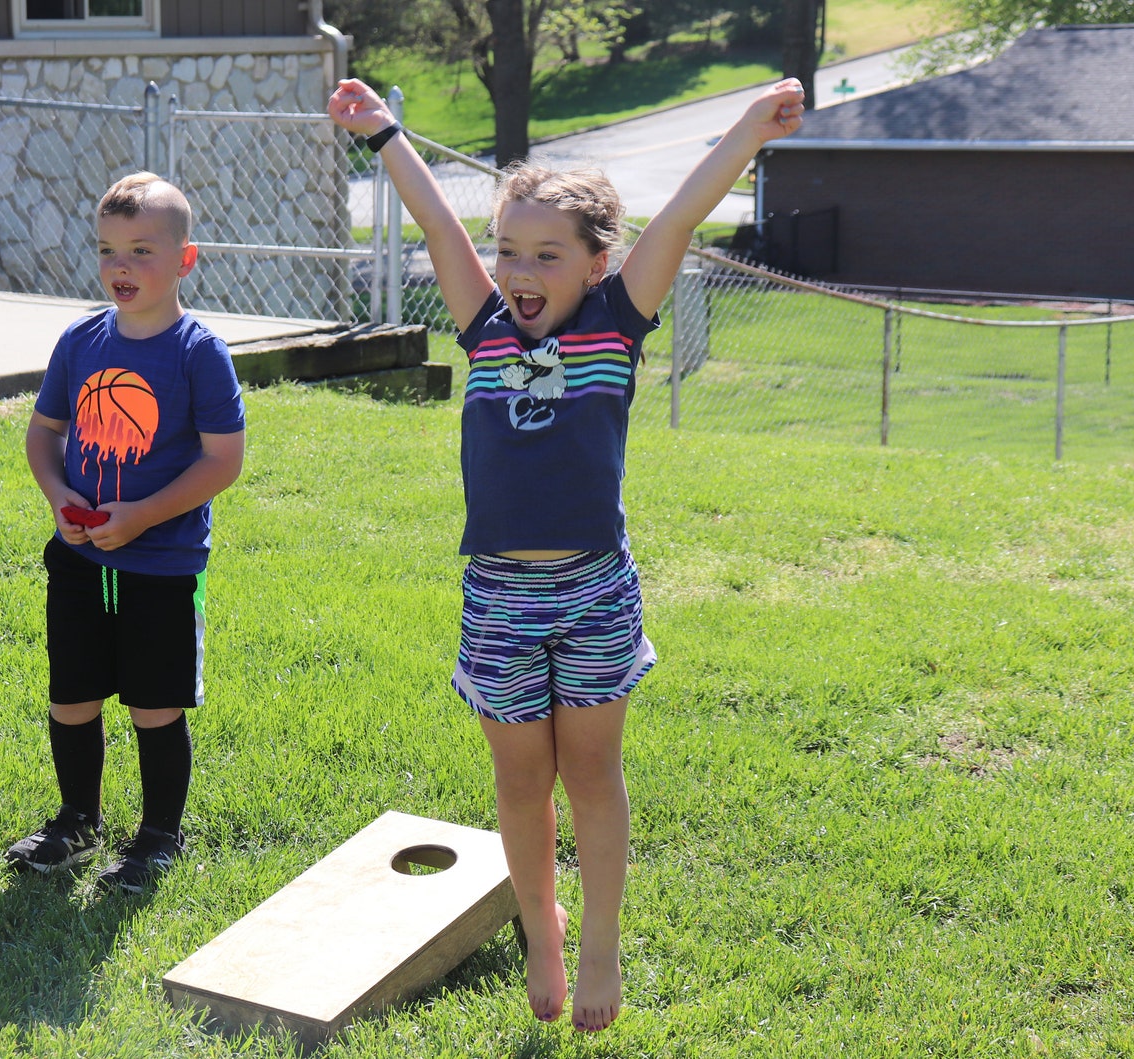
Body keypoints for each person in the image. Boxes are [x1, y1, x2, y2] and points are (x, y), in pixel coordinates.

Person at [328, 78, 804, 1031]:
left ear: (596, 264)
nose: (520, 268)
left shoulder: (614, 325)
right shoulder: (485, 328)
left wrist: (749, 131)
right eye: (510, 250)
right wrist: (382, 133)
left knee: (590, 774)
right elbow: (434, 225)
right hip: (499, 597)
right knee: (517, 779)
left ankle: (598, 942)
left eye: (547, 253)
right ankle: (540, 929)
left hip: (593, 591)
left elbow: (681, 214)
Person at [4, 172, 246, 894]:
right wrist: (58, 497)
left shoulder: (199, 352)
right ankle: (77, 819)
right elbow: (43, 435)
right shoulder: (81, 341)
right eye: (108, 249)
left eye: (142, 250)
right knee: (72, 691)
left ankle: (158, 837)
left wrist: (141, 516)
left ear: (185, 259)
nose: (121, 266)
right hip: (77, 555)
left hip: (162, 562)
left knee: (152, 701)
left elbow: (223, 460)